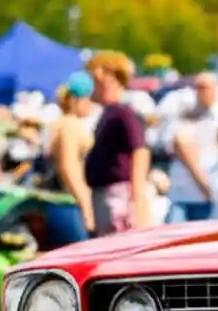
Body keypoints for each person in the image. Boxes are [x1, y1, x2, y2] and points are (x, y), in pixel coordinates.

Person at [82, 51, 151, 236]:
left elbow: (140, 151)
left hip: (118, 195)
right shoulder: (108, 113)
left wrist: (137, 200)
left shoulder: (123, 113)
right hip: (106, 194)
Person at [163, 71, 218, 222]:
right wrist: (203, 182)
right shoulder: (182, 111)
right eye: (198, 87)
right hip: (183, 192)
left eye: (206, 87)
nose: (201, 92)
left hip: (216, 192)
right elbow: (180, 144)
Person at [46, 72, 99, 232]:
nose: (91, 103)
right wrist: (87, 207)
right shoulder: (69, 126)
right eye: (89, 98)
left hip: (66, 202)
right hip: (71, 203)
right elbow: (69, 168)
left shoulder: (61, 123)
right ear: (77, 99)